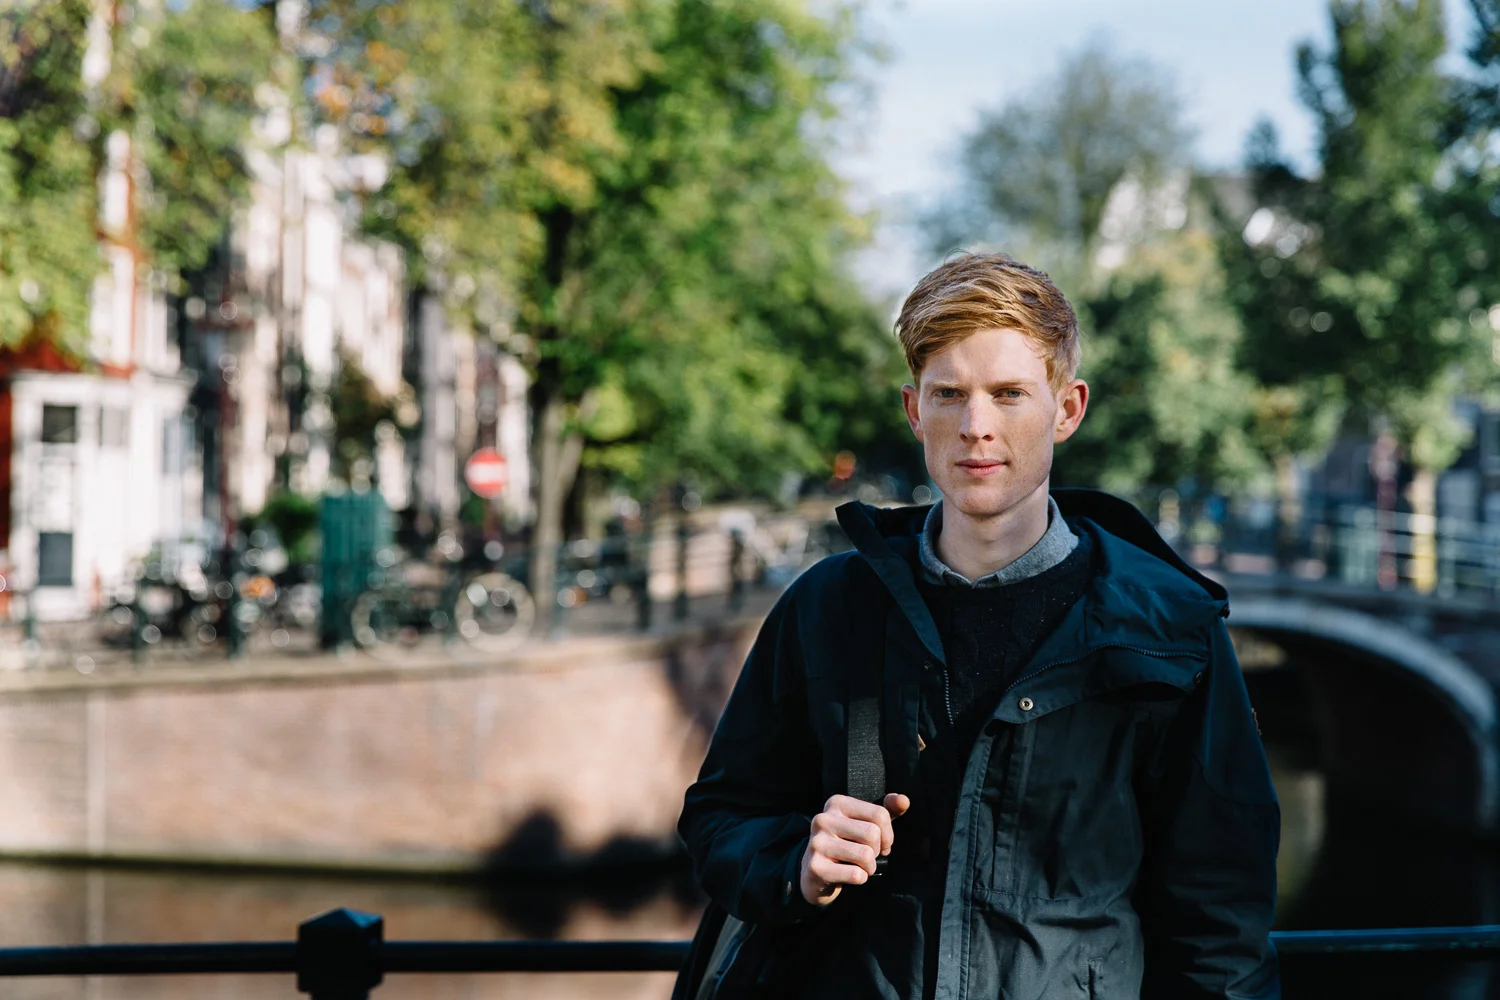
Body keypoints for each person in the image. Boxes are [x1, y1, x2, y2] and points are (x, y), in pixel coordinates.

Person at [675, 252, 1280, 1000]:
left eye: (1010, 394)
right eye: (949, 394)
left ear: (1067, 410)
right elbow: (720, 815)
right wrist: (795, 862)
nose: (976, 426)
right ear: (913, 411)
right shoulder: (828, 607)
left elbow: (1221, 927)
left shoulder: (1167, 631)